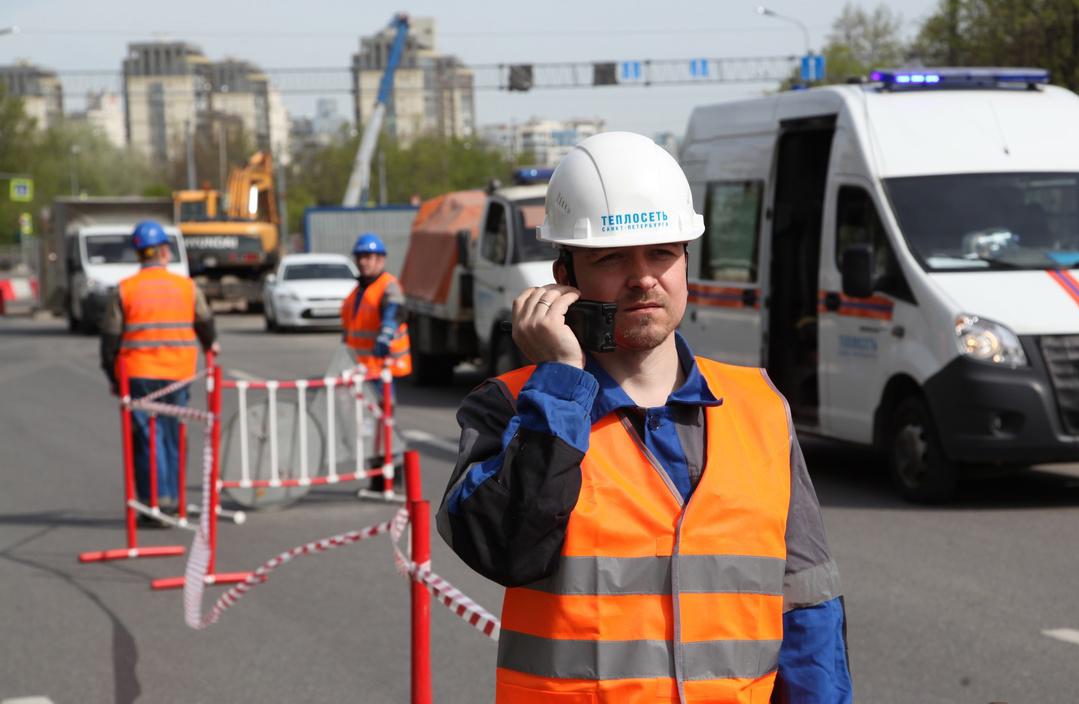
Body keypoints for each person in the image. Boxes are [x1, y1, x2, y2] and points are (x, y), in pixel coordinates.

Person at [438, 132, 853, 702]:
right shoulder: (511, 406)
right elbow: (504, 548)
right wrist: (560, 383)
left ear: (686, 260)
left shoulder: (758, 406)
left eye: (662, 253)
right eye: (611, 257)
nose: (643, 277)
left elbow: (807, 604)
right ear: (565, 277)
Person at [100, 220, 218, 520]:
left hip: (138, 374)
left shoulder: (126, 290)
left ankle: (154, 505)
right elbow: (205, 323)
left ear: (139, 254)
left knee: (145, 437)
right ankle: (176, 501)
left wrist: (113, 377)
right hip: (178, 373)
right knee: (173, 434)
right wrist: (210, 345)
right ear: (164, 252)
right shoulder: (186, 287)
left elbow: (110, 338)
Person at [341, 233, 411, 492]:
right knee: (368, 427)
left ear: (381, 259)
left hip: (384, 371)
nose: (364, 262)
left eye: (370, 257)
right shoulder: (356, 293)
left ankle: (395, 476)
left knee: (385, 423)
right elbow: (348, 334)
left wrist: (387, 330)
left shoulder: (388, 286)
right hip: (362, 371)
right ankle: (378, 479)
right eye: (360, 257)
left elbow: (395, 308)